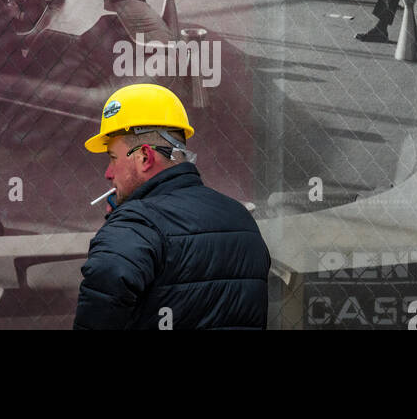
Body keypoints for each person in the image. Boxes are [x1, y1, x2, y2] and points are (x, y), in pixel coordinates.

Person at [75, 84, 271, 330]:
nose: (108, 173)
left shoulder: (133, 226)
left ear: (144, 157)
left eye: (113, 158)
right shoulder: (240, 219)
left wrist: (119, 227)